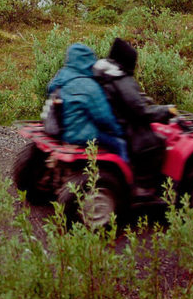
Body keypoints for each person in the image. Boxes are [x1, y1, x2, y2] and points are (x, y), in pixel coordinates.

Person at [93, 38, 171, 197]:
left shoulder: (103, 72)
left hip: (109, 123)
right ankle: (145, 185)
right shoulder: (122, 79)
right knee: (158, 143)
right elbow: (141, 111)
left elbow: (128, 99)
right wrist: (166, 111)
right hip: (125, 126)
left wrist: (144, 99)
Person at [49, 42, 128, 160]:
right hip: (81, 135)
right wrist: (119, 131)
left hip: (61, 130)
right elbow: (103, 116)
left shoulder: (62, 75)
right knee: (121, 144)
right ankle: (126, 176)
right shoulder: (89, 85)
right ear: (88, 61)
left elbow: (50, 89)